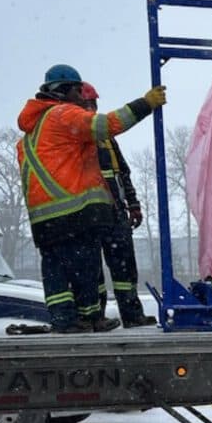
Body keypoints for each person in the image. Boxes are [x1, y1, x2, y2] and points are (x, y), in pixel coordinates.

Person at [17, 64, 166, 334]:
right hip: (74, 211)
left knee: (56, 272)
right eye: (78, 90)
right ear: (65, 91)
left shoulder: (33, 131)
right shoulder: (63, 115)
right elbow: (106, 125)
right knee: (85, 267)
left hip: (44, 217)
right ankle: (90, 318)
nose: (82, 98)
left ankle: (65, 320)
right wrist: (146, 104)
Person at [79, 82, 155, 328]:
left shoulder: (106, 137)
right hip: (88, 214)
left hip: (115, 213)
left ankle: (132, 315)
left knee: (125, 267)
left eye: (93, 104)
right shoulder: (75, 139)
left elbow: (122, 171)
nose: (91, 109)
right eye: (86, 104)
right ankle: (96, 316)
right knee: (92, 271)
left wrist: (133, 204)